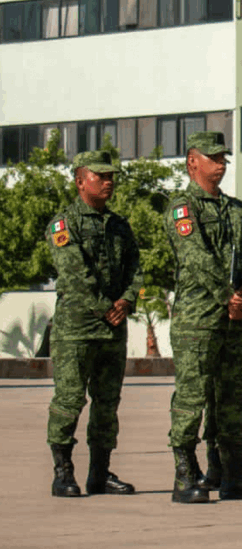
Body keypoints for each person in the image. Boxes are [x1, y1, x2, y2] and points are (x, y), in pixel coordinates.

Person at [165, 131, 242, 503]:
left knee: (232, 399)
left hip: (234, 320)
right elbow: (196, 258)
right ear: (193, 161)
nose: (221, 164)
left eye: (224, 157)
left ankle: (230, 473)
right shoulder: (183, 208)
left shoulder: (239, 209)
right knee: (192, 398)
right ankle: (184, 474)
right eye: (213, 157)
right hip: (198, 320)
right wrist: (228, 296)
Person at [46, 150, 142, 498]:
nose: (108, 182)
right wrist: (107, 308)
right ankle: (63, 472)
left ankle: (99, 473)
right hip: (76, 330)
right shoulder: (64, 223)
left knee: (107, 403)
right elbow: (74, 274)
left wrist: (127, 299)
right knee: (70, 400)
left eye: (111, 176)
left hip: (112, 329)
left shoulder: (118, 225)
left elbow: (135, 266)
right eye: (100, 176)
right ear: (80, 180)